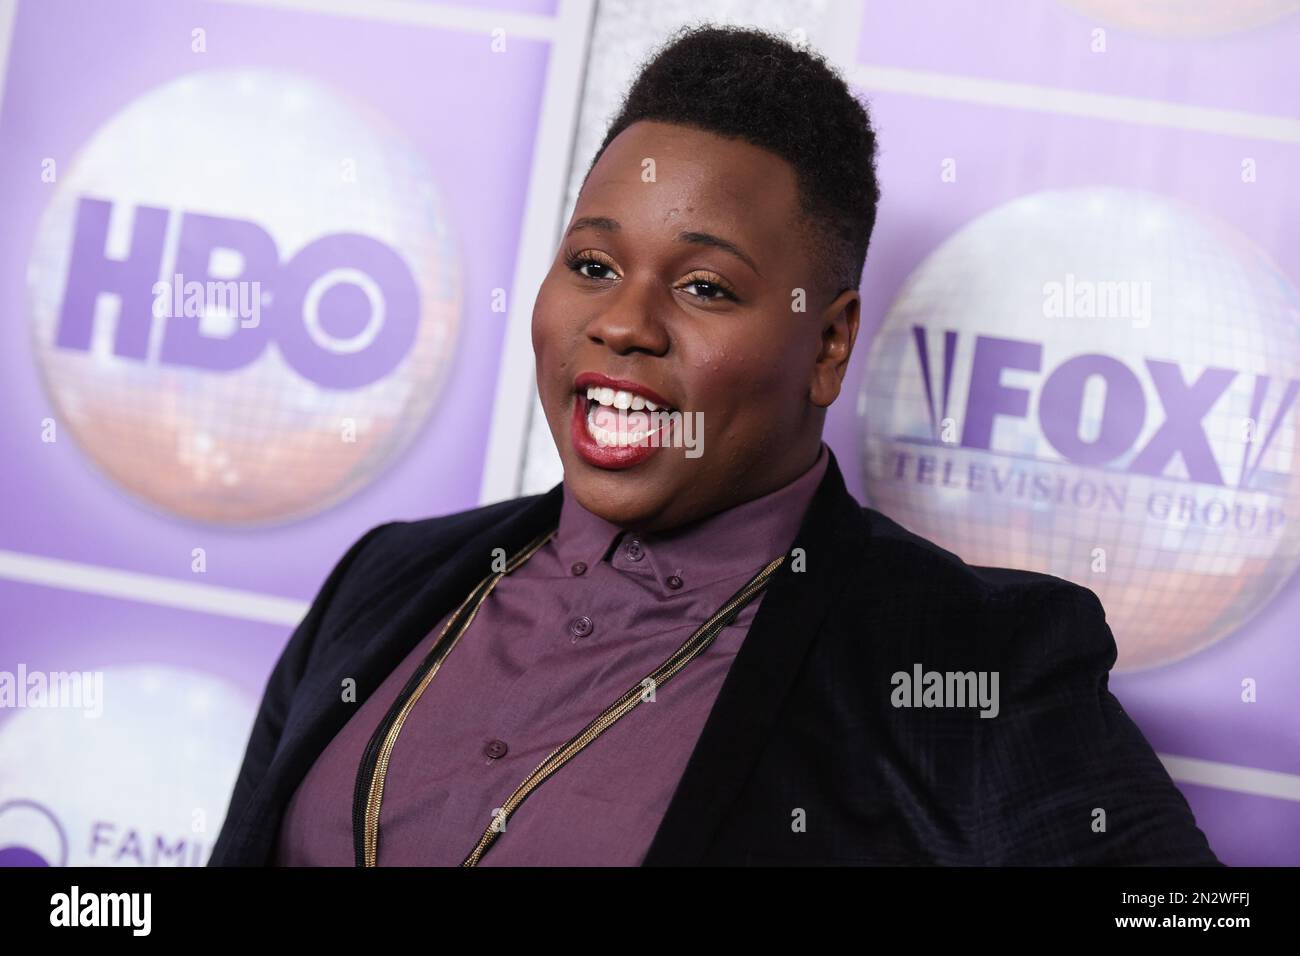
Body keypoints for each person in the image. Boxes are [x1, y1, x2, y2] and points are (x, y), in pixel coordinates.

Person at [209, 24, 1220, 867]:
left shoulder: (968, 659)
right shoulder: (389, 576)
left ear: (826, 345)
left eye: (704, 287)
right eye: (594, 263)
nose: (623, 323)